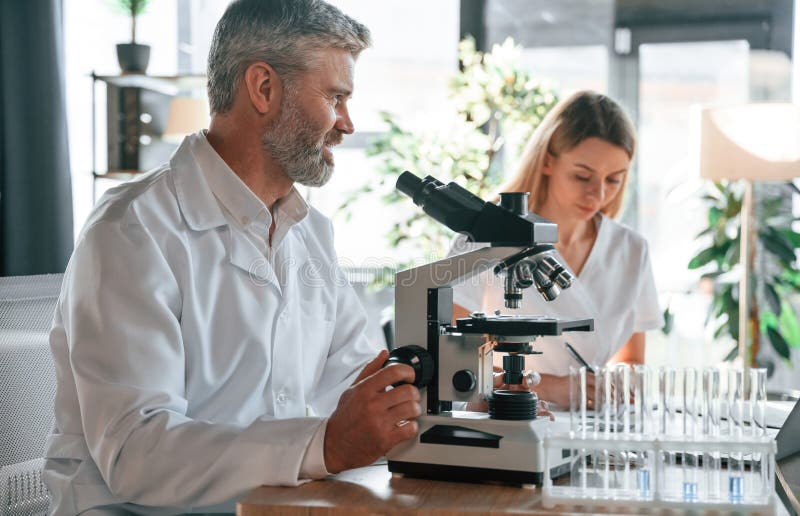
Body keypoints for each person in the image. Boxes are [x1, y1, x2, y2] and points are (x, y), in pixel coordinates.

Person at [43, 1, 421, 514]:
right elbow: (137, 454)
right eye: (335, 97)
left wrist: (440, 411)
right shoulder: (132, 231)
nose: (347, 124)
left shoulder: (311, 235)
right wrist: (324, 445)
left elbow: (355, 385)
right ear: (263, 88)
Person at [450, 90, 662, 408]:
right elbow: (455, 361)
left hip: (593, 428)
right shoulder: (485, 236)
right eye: (582, 176)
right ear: (548, 160)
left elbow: (630, 359)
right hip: (504, 422)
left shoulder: (631, 250)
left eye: (614, 180)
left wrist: (608, 386)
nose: (598, 194)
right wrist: (551, 388)